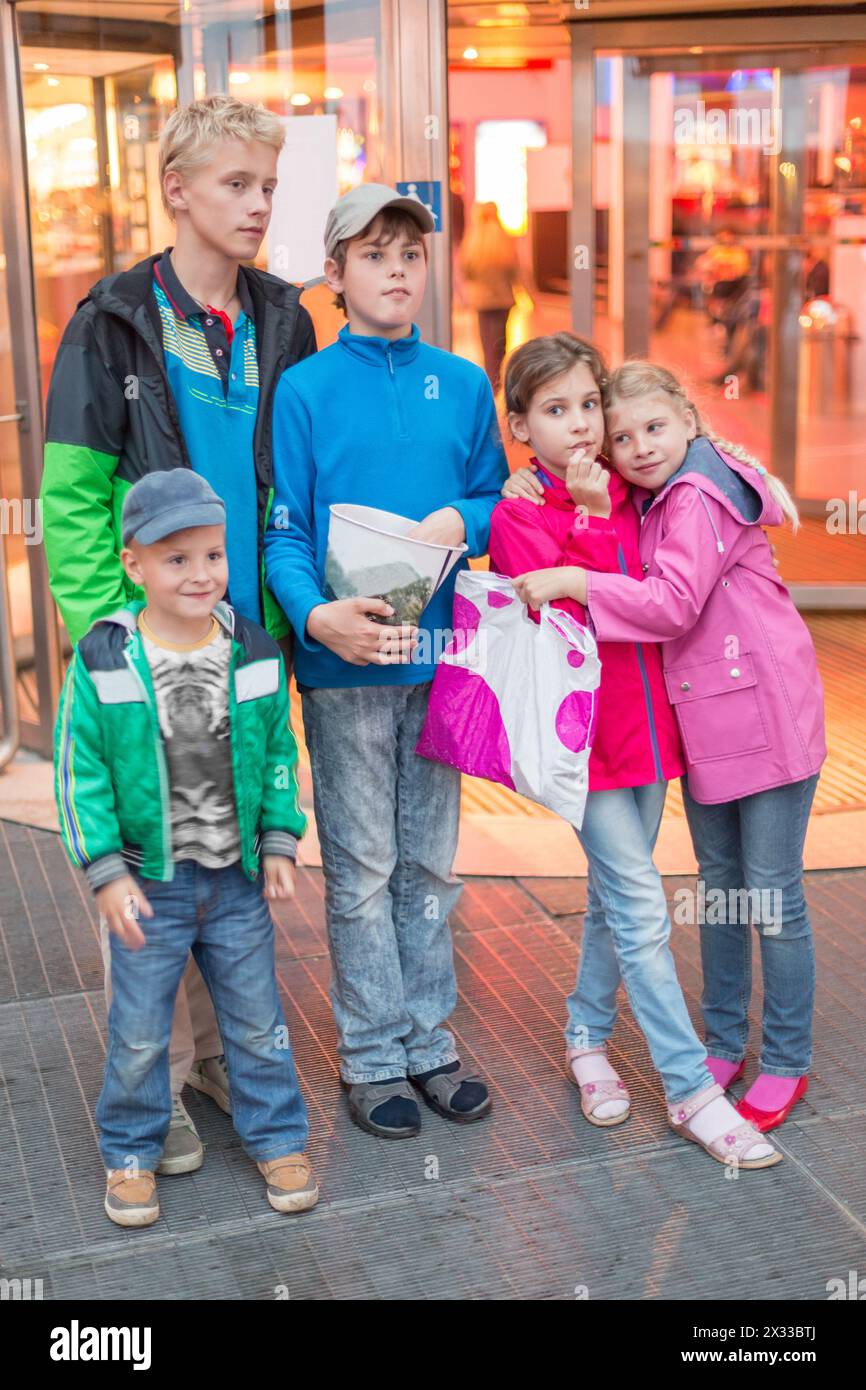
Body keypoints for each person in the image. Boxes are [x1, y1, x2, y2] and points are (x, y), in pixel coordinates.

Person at [40, 94, 317, 1174]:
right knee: (152, 866)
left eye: (266, 186)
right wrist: (107, 640)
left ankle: (210, 1066)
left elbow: (290, 479)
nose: (257, 205)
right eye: (237, 184)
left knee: (228, 857)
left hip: (245, 650)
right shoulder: (110, 320)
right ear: (177, 190)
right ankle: (148, 1100)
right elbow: (70, 500)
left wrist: (292, 622)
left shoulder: (285, 318)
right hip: (150, 649)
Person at [495, 333, 781, 1169]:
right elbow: (572, 619)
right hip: (580, 748)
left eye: (590, 405)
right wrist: (579, 515)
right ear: (521, 426)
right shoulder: (519, 514)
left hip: (651, 734)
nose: (581, 426)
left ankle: (587, 1035)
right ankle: (692, 1091)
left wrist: (717, 450)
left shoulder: (636, 486)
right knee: (643, 901)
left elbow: (666, 590)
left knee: (614, 899)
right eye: (555, 411)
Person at [264, 184, 508, 1138]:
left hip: (439, 659)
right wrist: (317, 618)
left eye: (409, 253)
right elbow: (284, 528)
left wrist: (468, 518)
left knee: (431, 866)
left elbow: (497, 499)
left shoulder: (466, 381)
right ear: (335, 275)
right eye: (373, 254)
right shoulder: (306, 391)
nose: (396, 269)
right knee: (362, 869)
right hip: (344, 669)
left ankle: (428, 1043)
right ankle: (371, 1058)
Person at [559, 360, 826, 1134]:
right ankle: (722, 1041)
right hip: (708, 722)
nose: (640, 446)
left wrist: (576, 583)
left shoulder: (699, 496)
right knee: (719, 887)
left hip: (767, 720)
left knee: (771, 896)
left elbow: (673, 604)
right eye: (623, 436)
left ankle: (785, 1057)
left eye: (655, 428)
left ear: (689, 421)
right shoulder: (651, 495)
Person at [53, 470, 316, 1227]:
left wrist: (278, 838)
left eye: (212, 555)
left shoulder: (253, 648)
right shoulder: (105, 657)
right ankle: (131, 1152)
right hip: (149, 885)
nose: (200, 574)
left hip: (235, 883)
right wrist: (103, 873)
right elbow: (82, 771)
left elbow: (275, 750)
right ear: (133, 564)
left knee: (258, 1020)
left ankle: (278, 1138)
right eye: (177, 560)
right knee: (139, 1029)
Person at [459, 201, 521, 393]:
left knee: (487, 343)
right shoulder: (505, 240)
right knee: (501, 340)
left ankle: (490, 383)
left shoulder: (473, 241)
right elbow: (516, 270)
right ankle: (501, 379)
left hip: (482, 300)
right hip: (503, 298)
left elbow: (466, 270)